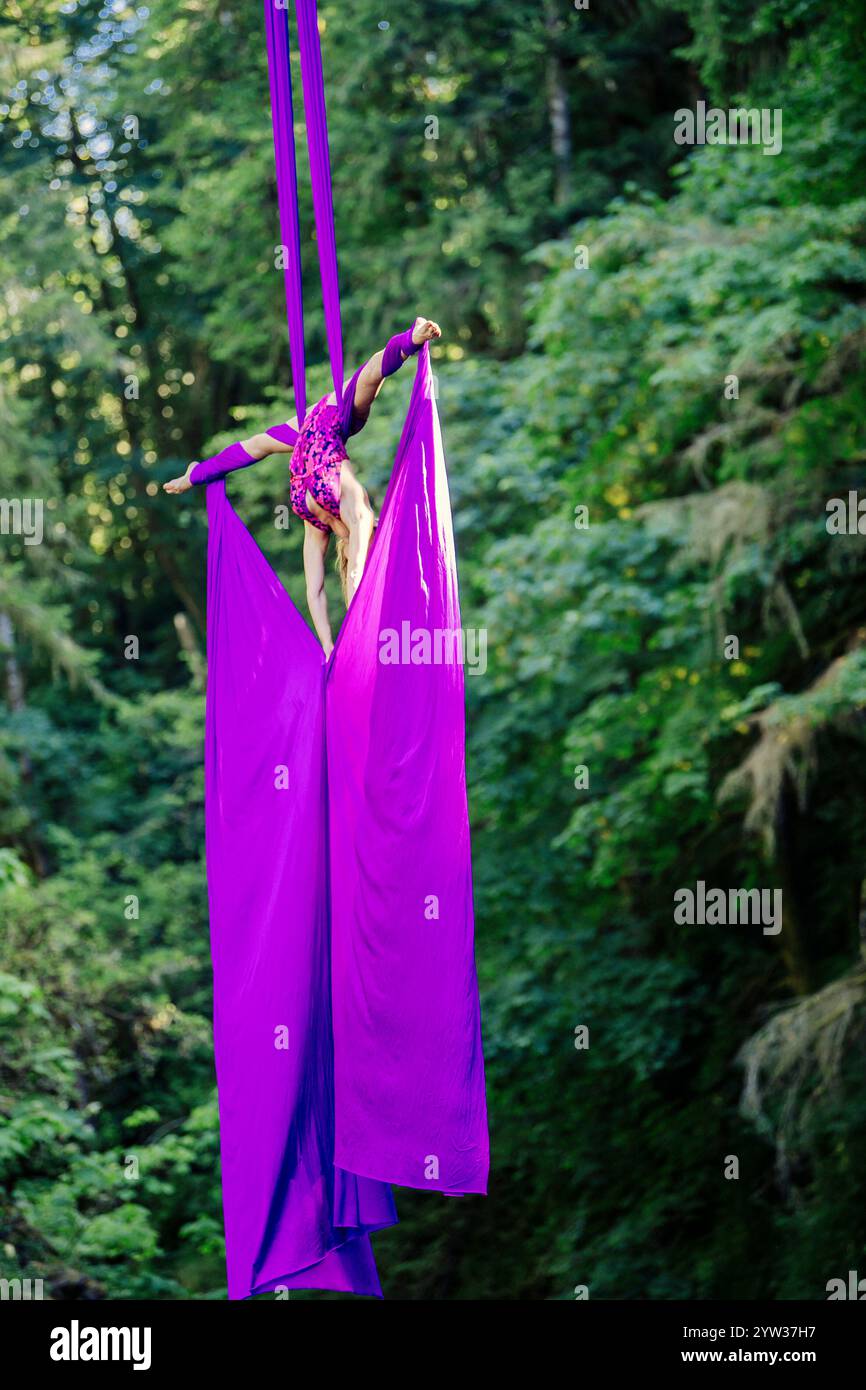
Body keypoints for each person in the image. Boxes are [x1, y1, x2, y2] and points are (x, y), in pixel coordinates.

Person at [164, 317, 442, 656]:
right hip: (308, 495)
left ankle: (196, 473)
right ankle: (197, 473)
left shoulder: (358, 507)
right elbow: (328, 585)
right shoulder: (329, 525)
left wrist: (336, 643)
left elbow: (253, 447)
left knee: (269, 439)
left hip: (312, 463)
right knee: (363, 386)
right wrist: (338, 642)